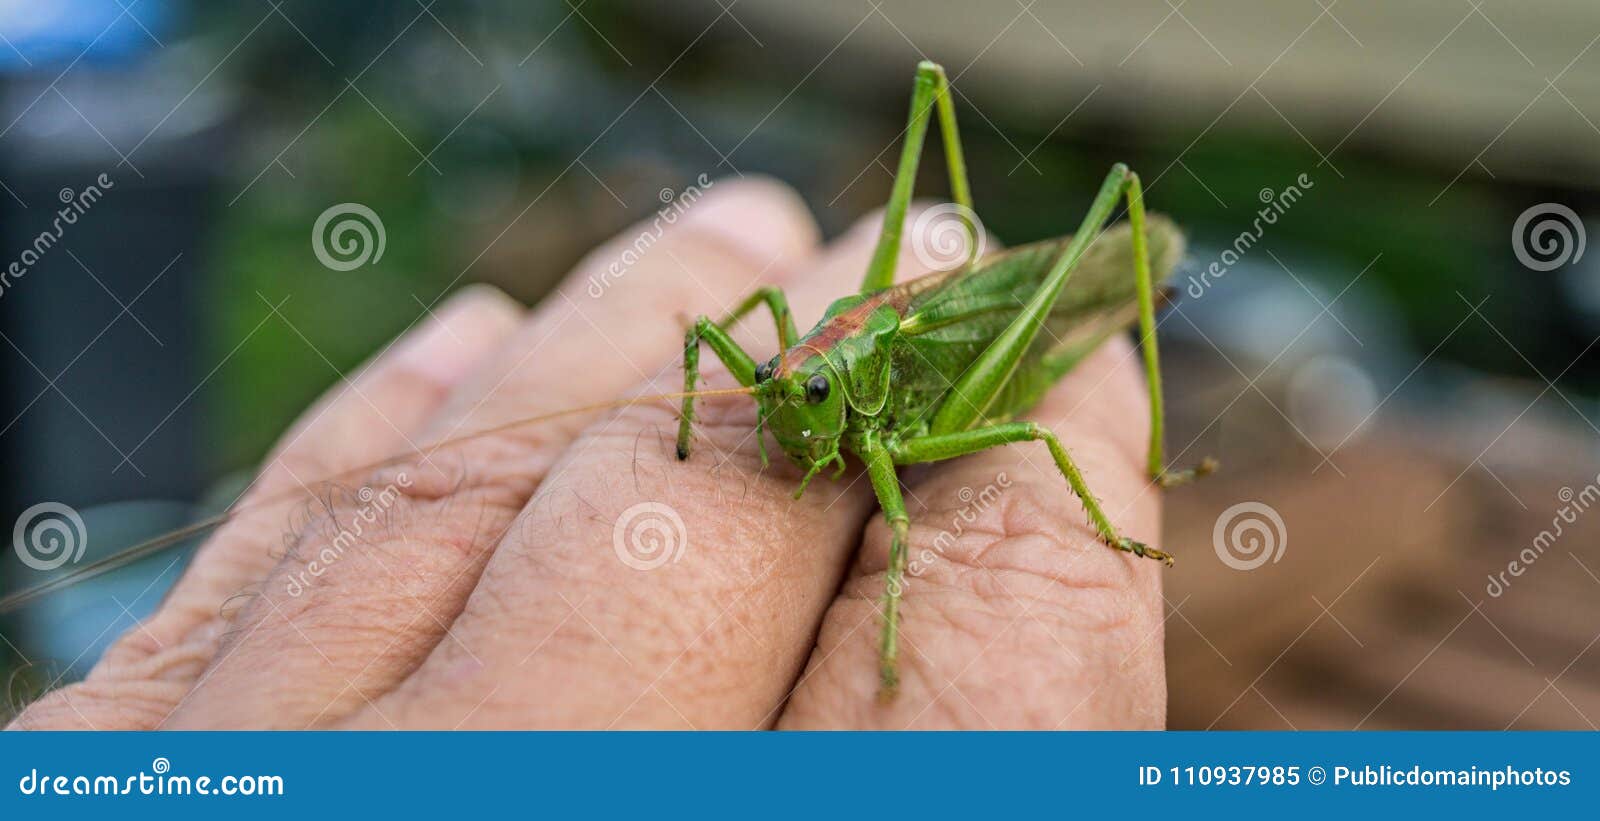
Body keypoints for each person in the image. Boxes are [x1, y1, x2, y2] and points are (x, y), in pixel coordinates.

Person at [8, 178, 1166, 730]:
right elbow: (748, 315)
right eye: (776, 394)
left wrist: (1097, 538)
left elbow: (983, 448)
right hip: (867, 338)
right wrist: (694, 430)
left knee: (1017, 414)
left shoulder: (864, 386)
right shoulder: (780, 368)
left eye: (793, 400)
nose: (775, 414)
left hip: (975, 350)